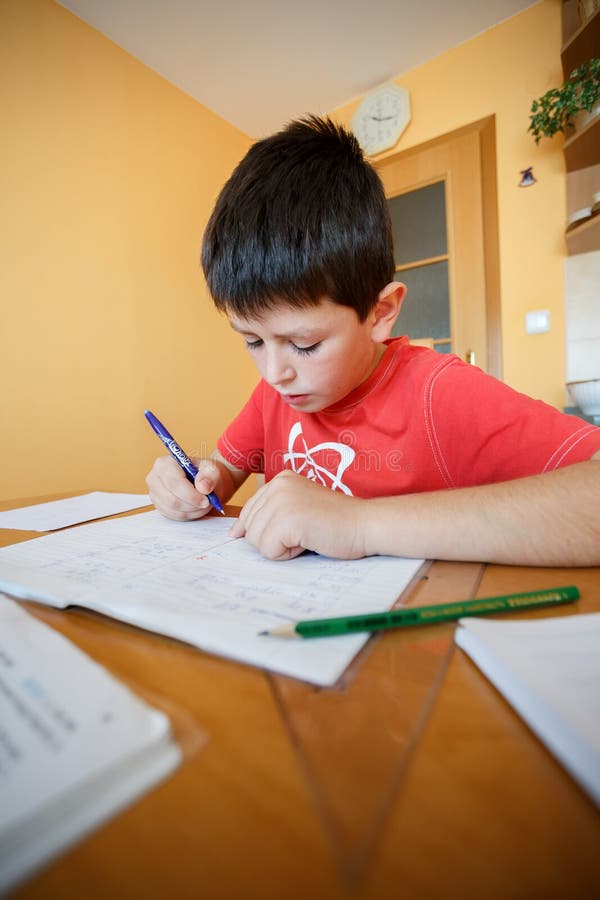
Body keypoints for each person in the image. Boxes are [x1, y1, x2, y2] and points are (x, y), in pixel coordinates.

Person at [146, 116, 600, 566]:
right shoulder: (275, 394)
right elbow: (221, 474)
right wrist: (191, 486)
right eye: (252, 341)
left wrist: (361, 524)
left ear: (380, 312)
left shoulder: (437, 393)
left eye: (304, 345)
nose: (274, 372)